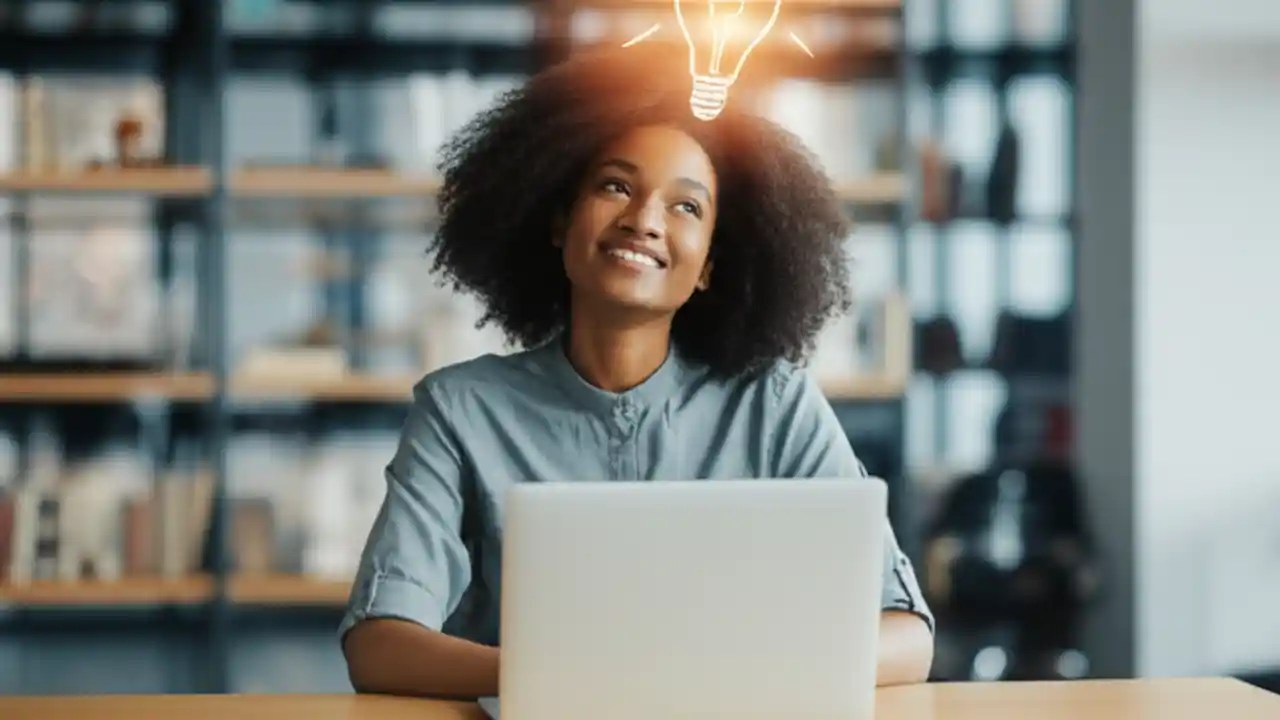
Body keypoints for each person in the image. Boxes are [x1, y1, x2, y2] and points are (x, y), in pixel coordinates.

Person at [339, 45, 934, 698]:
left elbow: (907, 634)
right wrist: (567, 681)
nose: (645, 221)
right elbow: (378, 645)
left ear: (710, 264)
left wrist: (719, 677)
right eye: (615, 185)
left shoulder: (774, 404)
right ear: (559, 220)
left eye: (687, 207)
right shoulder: (460, 410)